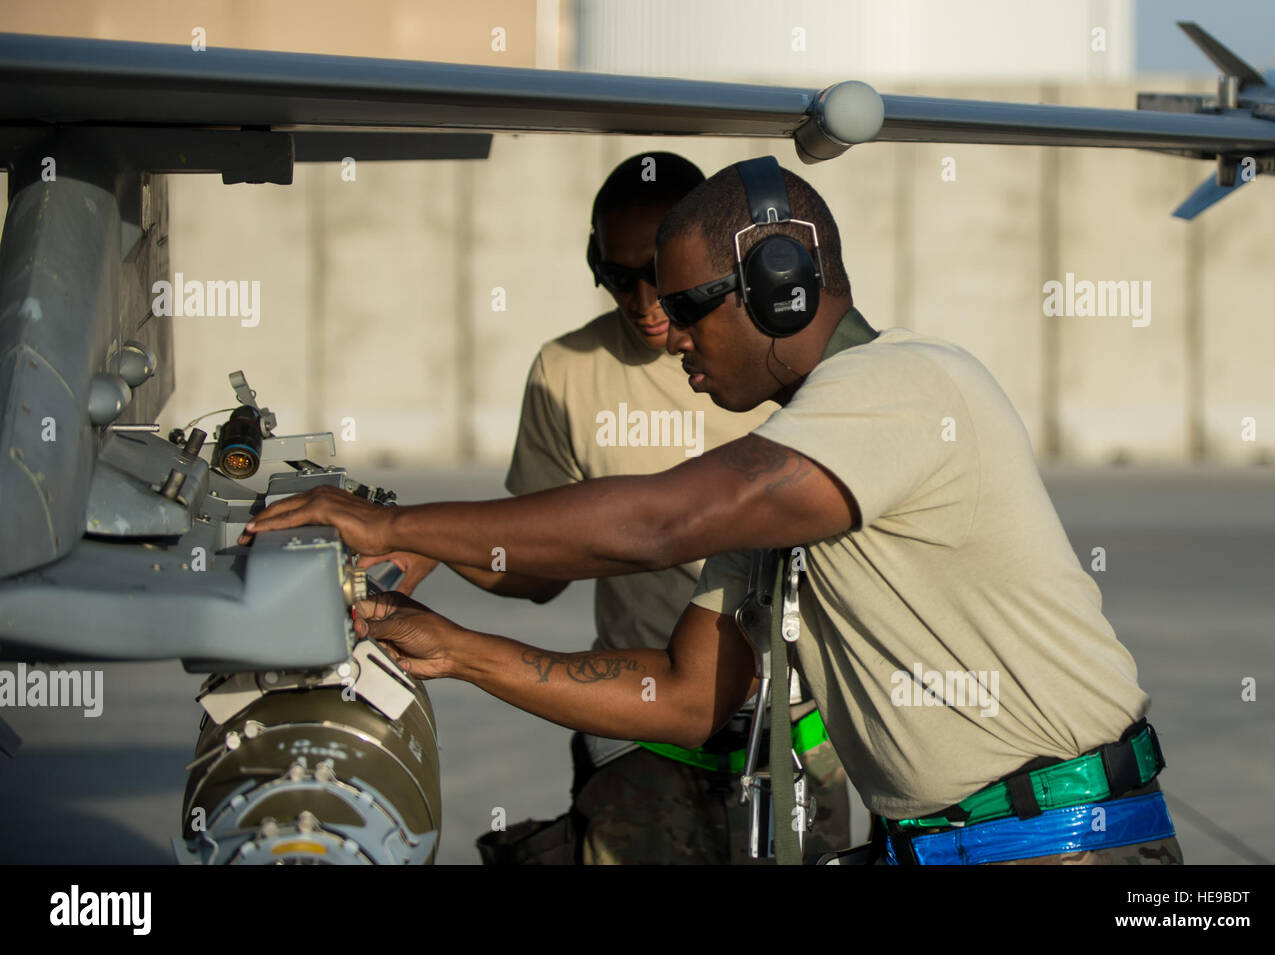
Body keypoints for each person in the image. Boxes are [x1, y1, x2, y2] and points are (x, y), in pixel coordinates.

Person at [244, 156, 1182, 865]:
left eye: (689, 304)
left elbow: (661, 522)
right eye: (639, 292)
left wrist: (397, 525)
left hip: (1068, 843)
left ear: (782, 286)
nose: (669, 331)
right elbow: (690, 697)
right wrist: (454, 648)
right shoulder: (794, 481)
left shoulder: (905, 385)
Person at [360, 152, 850, 864]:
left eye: (663, 276)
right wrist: (432, 544)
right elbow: (538, 567)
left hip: (788, 732)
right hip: (643, 726)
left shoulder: (769, 364)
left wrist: (419, 536)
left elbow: (656, 523)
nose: (648, 302)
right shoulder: (567, 372)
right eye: (622, 278)